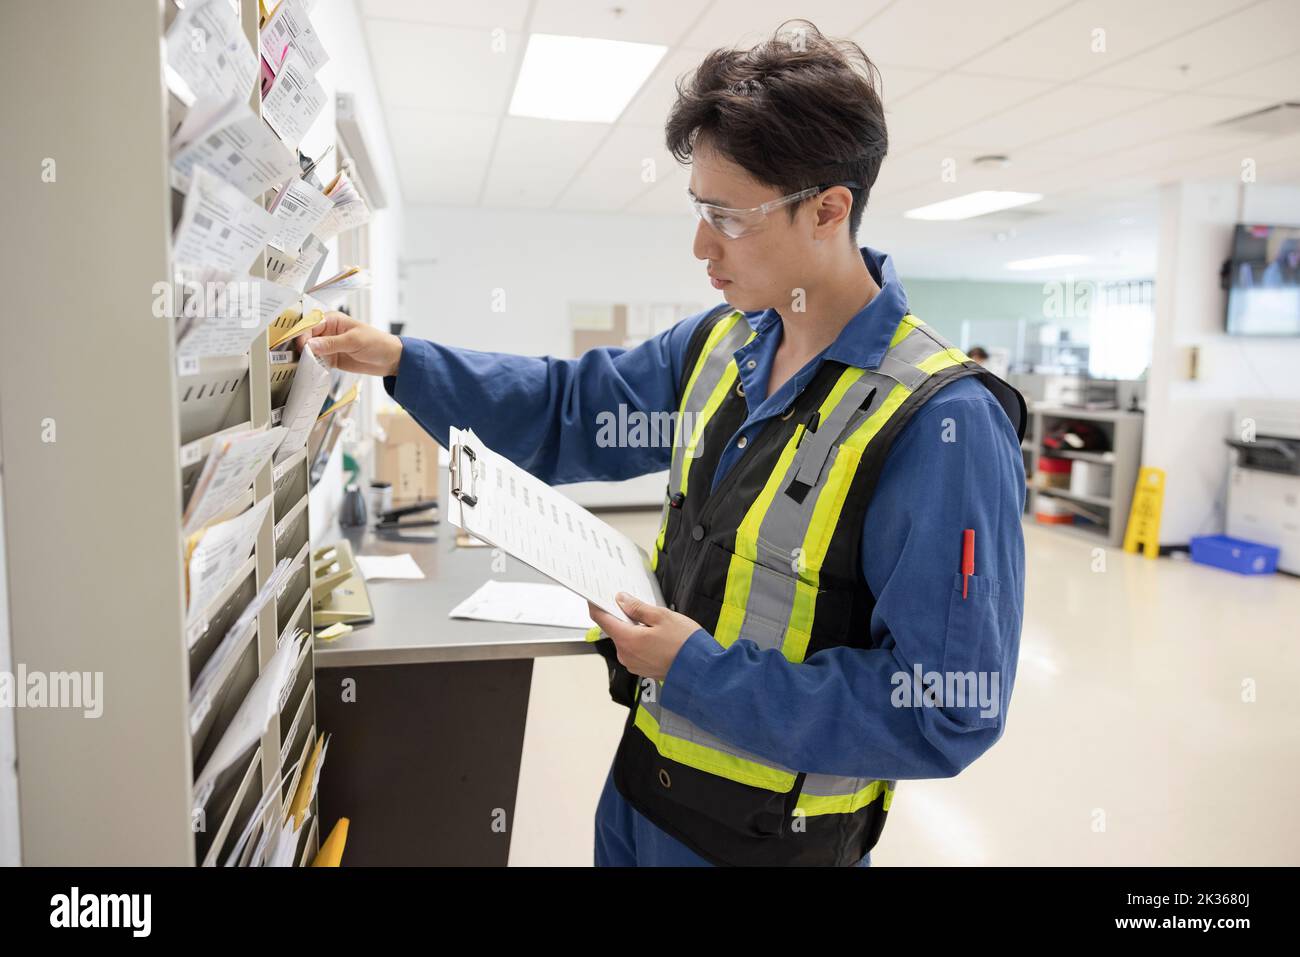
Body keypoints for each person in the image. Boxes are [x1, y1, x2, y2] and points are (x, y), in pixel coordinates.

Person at [299, 22, 1027, 867]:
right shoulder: (721, 343)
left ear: (829, 209)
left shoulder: (942, 422)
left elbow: (945, 707)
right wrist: (403, 361)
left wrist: (698, 669)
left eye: (727, 217)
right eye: (698, 211)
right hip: (644, 789)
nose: (701, 246)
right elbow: (572, 408)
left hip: (772, 846)